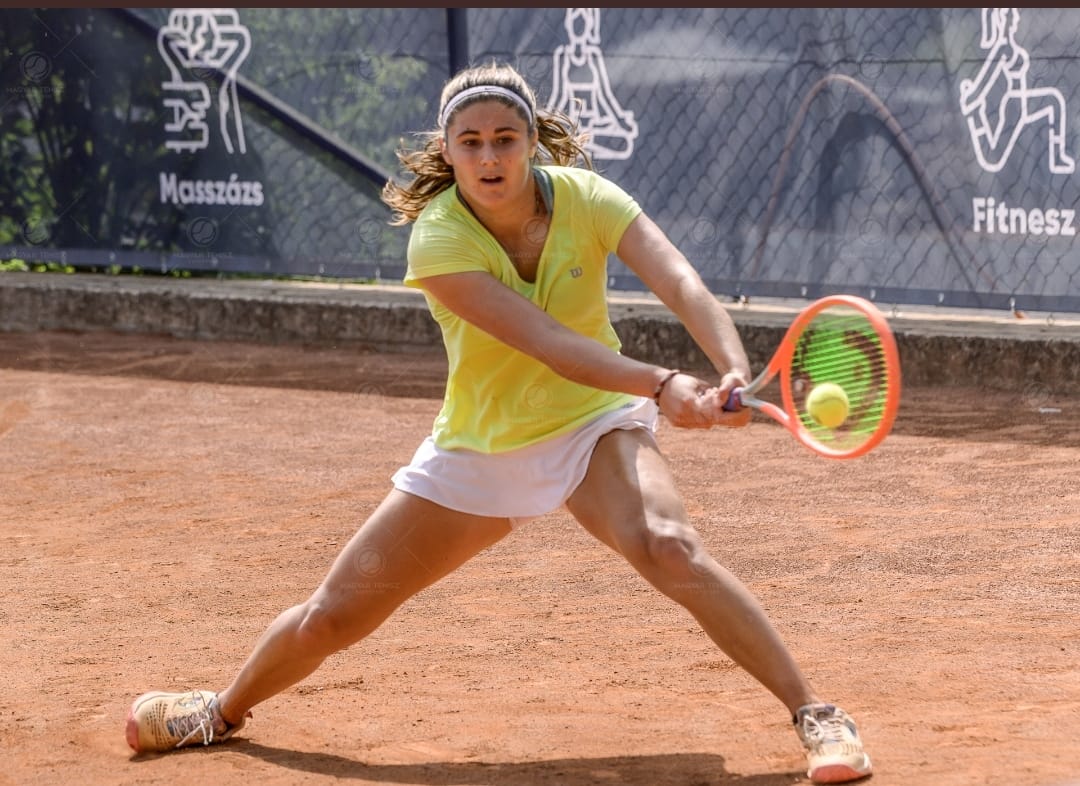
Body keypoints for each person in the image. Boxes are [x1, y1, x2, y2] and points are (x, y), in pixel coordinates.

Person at [125, 61, 873, 784]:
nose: (489, 156)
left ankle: (817, 714)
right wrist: (668, 382)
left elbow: (678, 278)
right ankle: (219, 711)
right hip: (480, 448)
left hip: (593, 425)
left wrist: (732, 367)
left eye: (504, 139)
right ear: (447, 153)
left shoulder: (588, 197)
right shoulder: (439, 237)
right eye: (471, 142)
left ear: (532, 142)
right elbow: (547, 345)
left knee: (670, 545)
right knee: (332, 618)